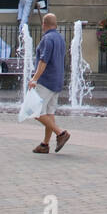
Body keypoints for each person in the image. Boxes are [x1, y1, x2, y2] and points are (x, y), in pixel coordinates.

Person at [28, 13, 70, 154]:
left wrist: (34, 79)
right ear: (55, 24)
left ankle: (61, 133)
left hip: (46, 80)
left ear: (44, 24)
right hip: (57, 80)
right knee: (49, 113)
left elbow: (43, 61)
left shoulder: (47, 39)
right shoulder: (60, 38)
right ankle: (45, 145)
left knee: (35, 110)